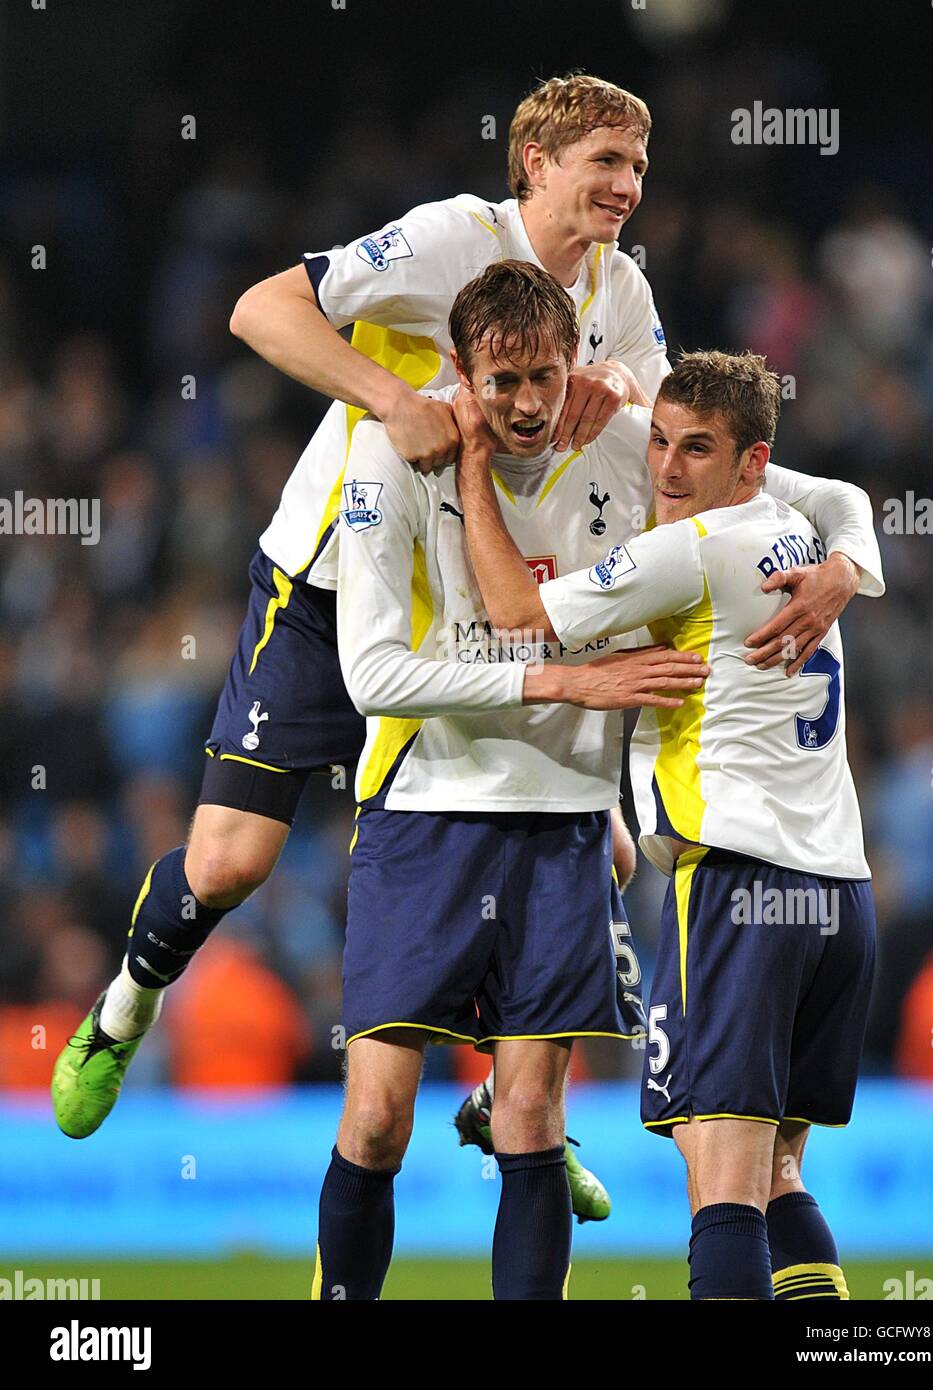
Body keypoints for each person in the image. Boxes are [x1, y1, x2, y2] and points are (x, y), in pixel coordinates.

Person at [51, 74, 671, 1221]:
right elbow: (259, 311)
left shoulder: (619, 289)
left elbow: (666, 424)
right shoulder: (445, 241)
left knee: (601, 854)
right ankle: (127, 1005)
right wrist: (392, 396)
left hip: (476, 609)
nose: (629, 187)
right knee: (231, 863)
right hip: (335, 581)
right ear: (533, 164)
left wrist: (627, 381)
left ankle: (515, 1102)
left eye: (638, 165)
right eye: (606, 163)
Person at [454, 347, 884, 1301]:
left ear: (750, 462)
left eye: (696, 449)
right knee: (774, 1173)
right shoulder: (798, 534)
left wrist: (473, 466)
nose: (664, 469)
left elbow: (516, 612)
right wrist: (850, 569)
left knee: (718, 1187)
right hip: (840, 898)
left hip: (738, 888)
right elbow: (848, 495)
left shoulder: (690, 551)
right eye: (657, 441)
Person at [319, 261, 709, 1301]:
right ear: (458, 369)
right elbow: (370, 674)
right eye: (502, 384)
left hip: (567, 823)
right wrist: (563, 683)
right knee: (377, 1115)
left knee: (531, 1114)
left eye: (545, 376)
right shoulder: (389, 454)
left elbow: (754, 520)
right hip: (424, 806)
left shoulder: (633, 454)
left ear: (579, 357)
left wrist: (844, 556)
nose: (528, 404)